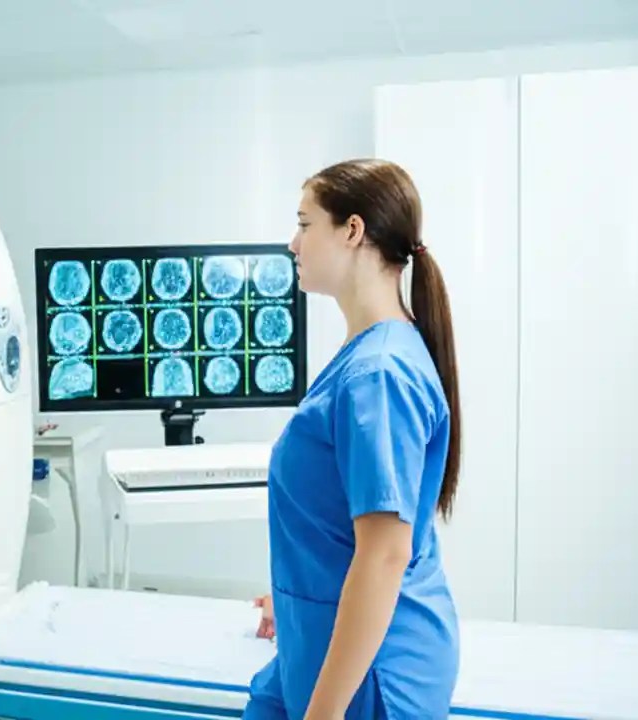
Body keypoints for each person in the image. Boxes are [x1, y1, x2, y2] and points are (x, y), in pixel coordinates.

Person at [244, 159, 461, 720]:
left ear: (353, 230)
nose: (293, 243)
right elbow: (342, 521)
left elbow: (386, 555)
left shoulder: (379, 374)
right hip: (324, 638)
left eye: (304, 223)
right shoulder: (368, 356)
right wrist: (295, 599)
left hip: (377, 673)